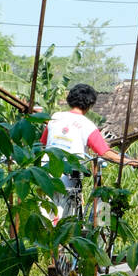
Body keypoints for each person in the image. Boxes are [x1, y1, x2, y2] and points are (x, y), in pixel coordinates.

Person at [39, 83, 122, 226]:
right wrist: (131, 161)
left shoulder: (55, 117)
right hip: (67, 181)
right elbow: (104, 152)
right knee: (63, 226)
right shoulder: (87, 125)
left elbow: (43, 143)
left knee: (46, 222)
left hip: (43, 177)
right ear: (90, 105)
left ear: (70, 99)